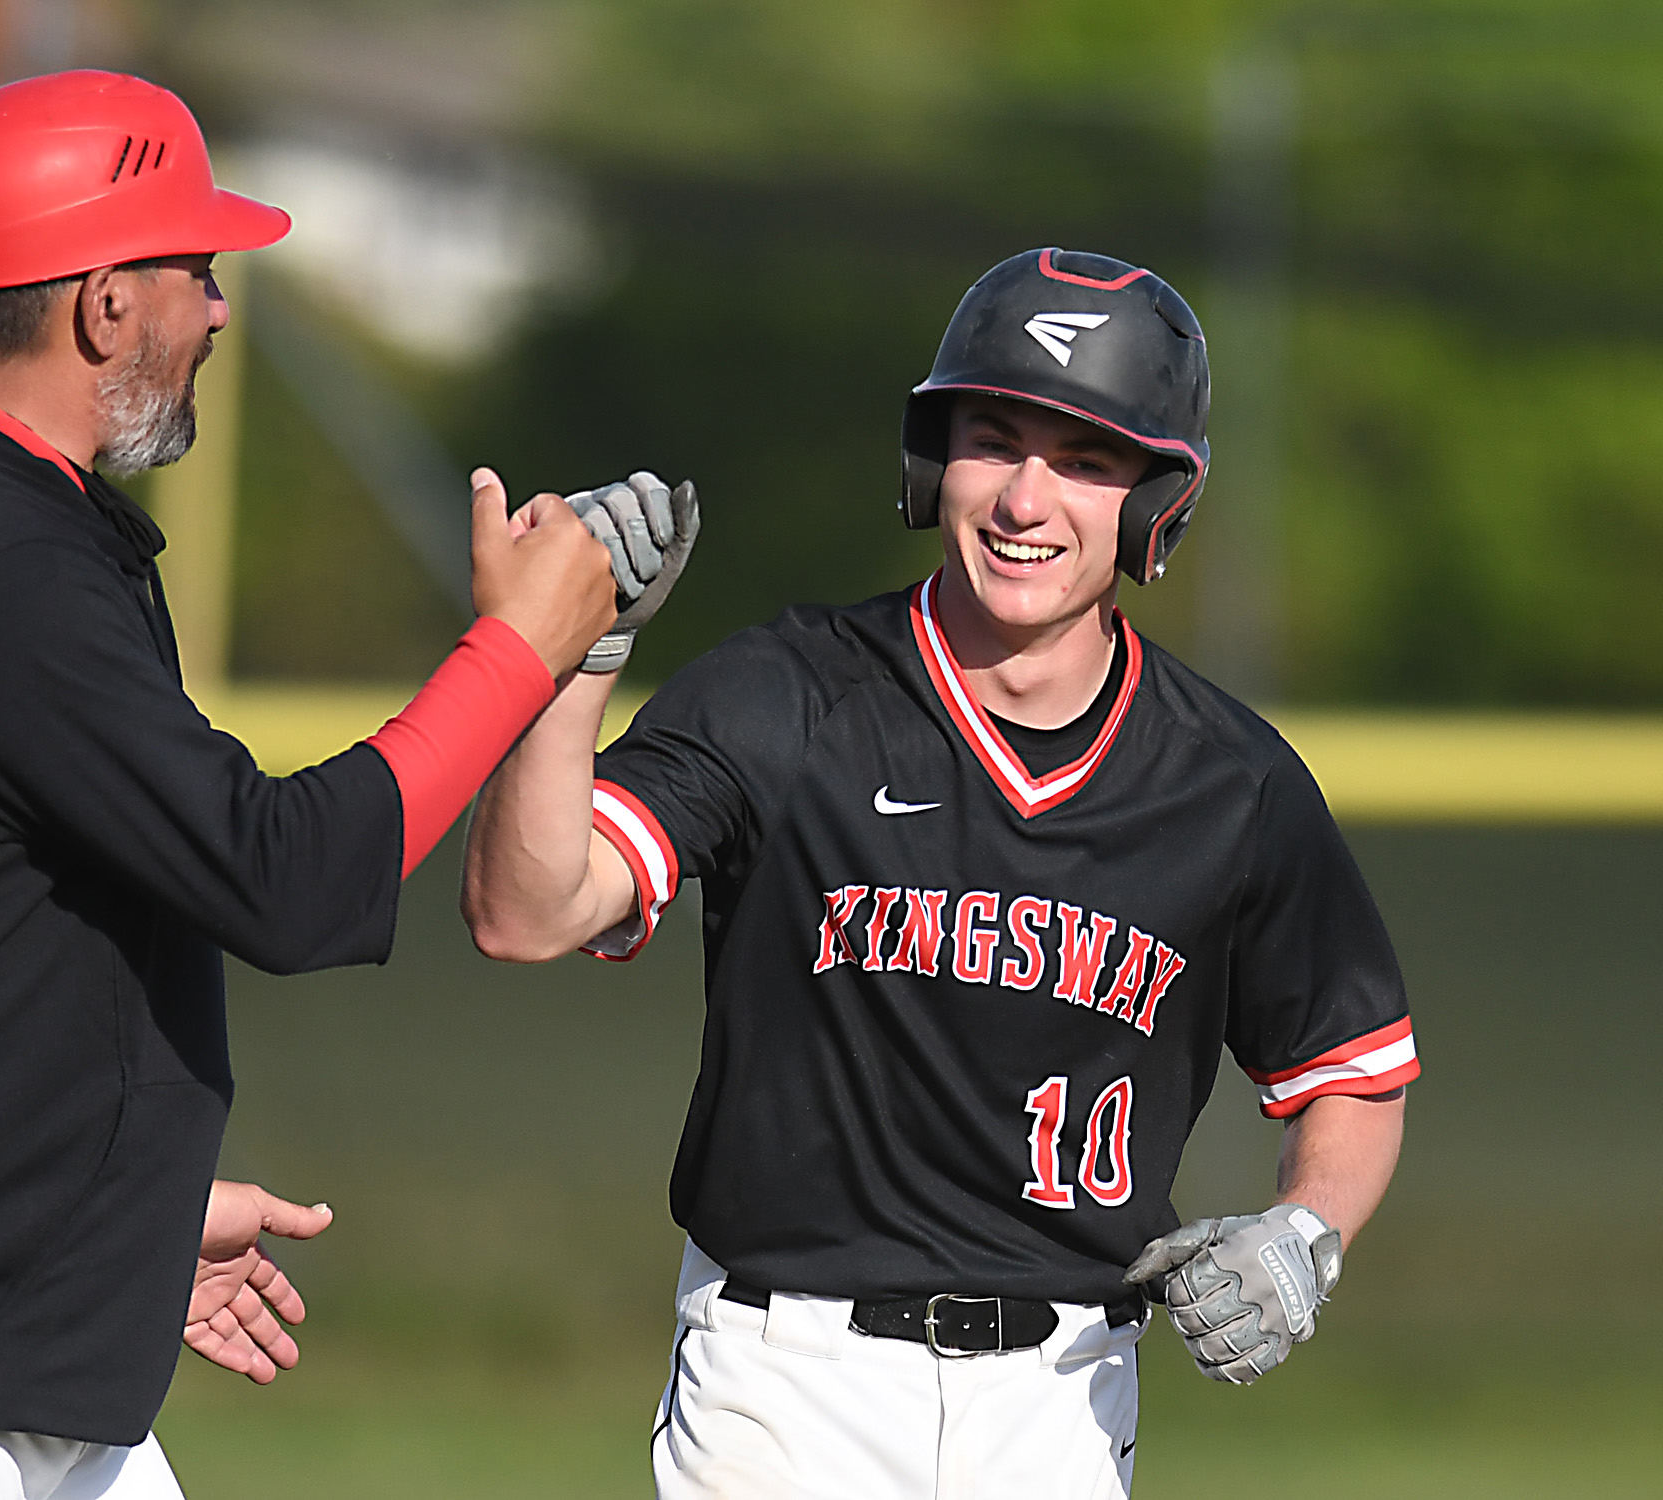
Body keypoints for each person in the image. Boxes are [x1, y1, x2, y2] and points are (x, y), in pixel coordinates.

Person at [0, 70, 616, 1499]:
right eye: (196, 271)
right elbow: (280, 878)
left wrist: (113, 1218)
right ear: (104, 305)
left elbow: (3, 966)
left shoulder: (10, 535)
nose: (216, 311)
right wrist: (516, 652)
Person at [463, 248, 1419, 1499]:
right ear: (932, 460)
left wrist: (1308, 1231)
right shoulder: (789, 695)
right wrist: (564, 658)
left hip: (1065, 1405)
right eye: (994, 440)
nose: (1027, 499)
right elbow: (527, 911)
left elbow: (1349, 1073)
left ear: (1155, 501)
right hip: (785, 1382)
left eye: (1085, 461)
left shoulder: (1229, 783)